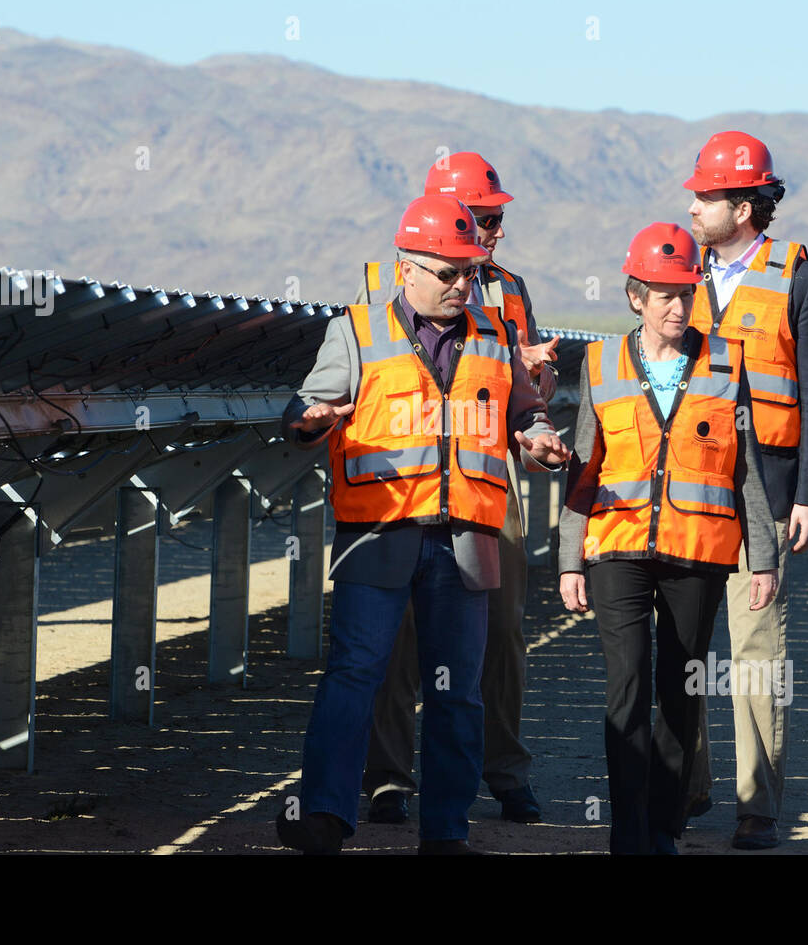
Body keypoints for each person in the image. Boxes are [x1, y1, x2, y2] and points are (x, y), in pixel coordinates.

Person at [276, 194, 570, 855]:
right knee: (356, 671)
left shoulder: (494, 336)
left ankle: (446, 829)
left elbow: (525, 412)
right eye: (448, 272)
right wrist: (306, 420)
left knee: (457, 691)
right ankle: (324, 815)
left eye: (468, 271)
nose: (463, 284)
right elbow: (302, 405)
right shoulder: (355, 332)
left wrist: (541, 437)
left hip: (465, 537)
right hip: (377, 533)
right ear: (405, 267)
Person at [558, 222, 779, 855]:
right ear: (635, 297)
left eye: (686, 293)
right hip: (616, 548)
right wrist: (570, 558)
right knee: (625, 686)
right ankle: (627, 834)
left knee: (681, 688)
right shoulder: (601, 364)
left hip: (697, 552)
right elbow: (583, 466)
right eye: (664, 295)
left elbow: (747, 472)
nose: (678, 307)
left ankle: (664, 827)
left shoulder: (726, 363)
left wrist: (762, 558)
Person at [355, 152, 558, 825]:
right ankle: (389, 774)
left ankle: (503, 770)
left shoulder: (510, 289)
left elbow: (526, 395)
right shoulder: (383, 284)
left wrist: (537, 384)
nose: (495, 233)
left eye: (498, 219)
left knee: (500, 628)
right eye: (485, 218)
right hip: (404, 482)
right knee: (399, 627)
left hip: (484, 480)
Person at [680, 132, 808, 850]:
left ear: (743, 206)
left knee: (756, 650)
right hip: (688, 492)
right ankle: (686, 786)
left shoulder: (801, 281)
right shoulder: (677, 279)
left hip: (766, 496)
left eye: (705, 196)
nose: (692, 206)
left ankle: (756, 805)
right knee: (684, 643)